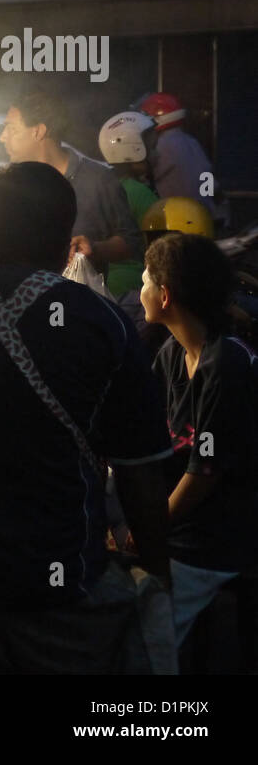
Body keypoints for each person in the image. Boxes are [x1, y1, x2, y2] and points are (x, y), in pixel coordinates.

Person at [0, 162, 174, 674]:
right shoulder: (101, 321)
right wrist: (158, 573)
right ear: (66, 237)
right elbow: (140, 475)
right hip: (58, 587)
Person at [140, 232, 258, 650]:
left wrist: (148, 526)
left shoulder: (227, 364)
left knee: (145, 637)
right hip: (182, 531)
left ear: (165, 295)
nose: (140, 291)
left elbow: (204, 472)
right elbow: (145, 439)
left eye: (145, 282)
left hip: (217, 541)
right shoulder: (171, 355)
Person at [0, 89, 140, 272]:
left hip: (81, 298)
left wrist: (95, 249)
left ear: (38, 131)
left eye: (12, 129)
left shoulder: (97, 180)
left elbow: (130, 241)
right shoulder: (6, 186)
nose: (2, 137)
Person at [97, 111, 160, 331]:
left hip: (103, 286)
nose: (155, 153)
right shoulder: (141, 193)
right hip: (136, 290)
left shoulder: (103, 186)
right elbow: (161, 245)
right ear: (133, 149)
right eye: (150, 146)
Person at [137, 92, 217, 217]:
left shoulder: (161, 145)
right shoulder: (192, 142)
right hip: (205, 216)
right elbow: (212, 185)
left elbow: (141, 179)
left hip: (179, 221)